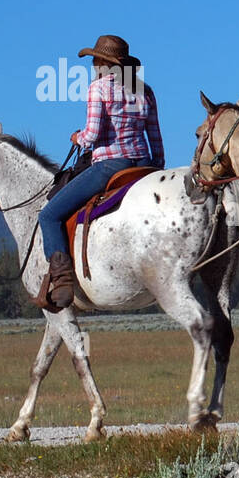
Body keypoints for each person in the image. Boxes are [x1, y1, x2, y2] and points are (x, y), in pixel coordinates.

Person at [36, 35, 163, 310]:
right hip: (144, 165)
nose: (93, 65)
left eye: (95, 60)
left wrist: (76, 138)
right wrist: (156, 169)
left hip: (111, 165)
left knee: (48, 215)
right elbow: (155, 137)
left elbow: (92, 135)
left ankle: (62, 280)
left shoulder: (99, 88)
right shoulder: (146, 90)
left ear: (104, 63)